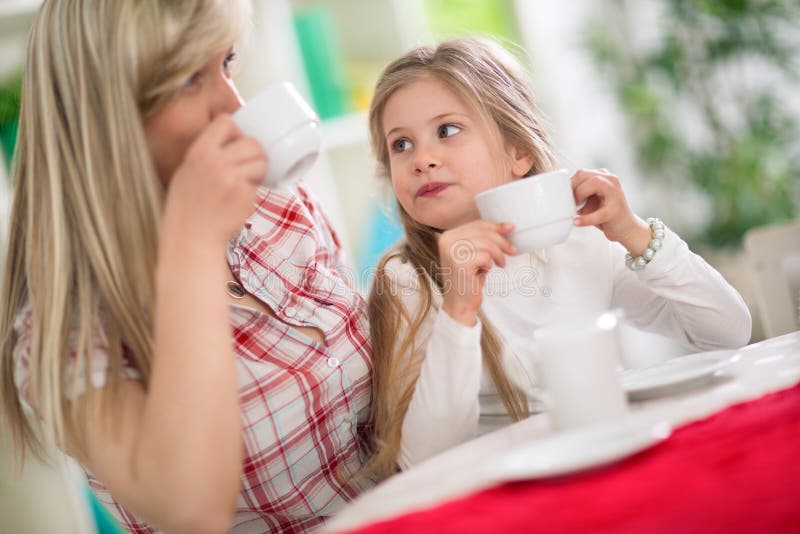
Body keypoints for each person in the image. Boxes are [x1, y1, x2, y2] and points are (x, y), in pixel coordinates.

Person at [0, 1, 372, 532]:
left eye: (227, 62)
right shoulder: (66, 335)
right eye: (189, 79)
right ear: (107, 117)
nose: (232, 104)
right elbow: (192, 511)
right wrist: (192, 244)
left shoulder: (279, 209)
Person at [364, 37, 751, 480]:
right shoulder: (405, 280)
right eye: (401, 145)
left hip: (608, 464)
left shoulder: (579, 242)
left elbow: (728, 331)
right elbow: (424, 463)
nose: (422, 160)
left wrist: (635, 234)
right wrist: (460, 308)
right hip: (504, 492)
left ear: (518, 151)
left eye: (447, 131)